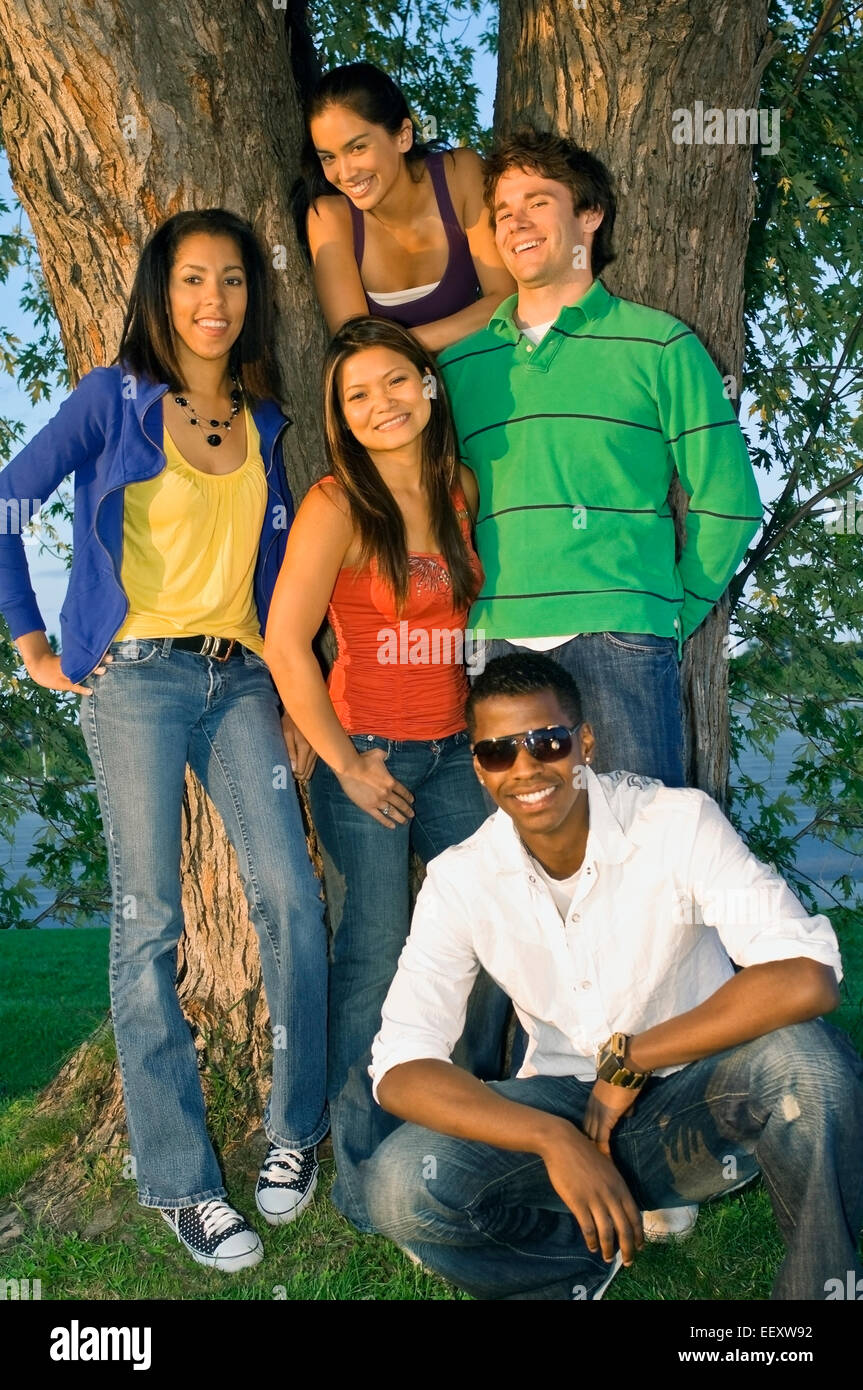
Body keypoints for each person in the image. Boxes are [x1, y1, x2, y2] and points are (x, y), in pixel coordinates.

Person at [0, 209, 329, 1272]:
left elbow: (280, 582)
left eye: (232, 282)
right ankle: (181, 1182)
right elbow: (7, 500)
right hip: (134, 678)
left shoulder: (267, 420)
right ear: (161, 291)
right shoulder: (113, 400)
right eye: (192, 280)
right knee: (147, 926)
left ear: (251, 296)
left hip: (240, 683)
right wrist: (31, 640)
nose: (213, 301)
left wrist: (295, 693)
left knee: (289, 892)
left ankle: (295, 1128)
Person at [363, 652, 863, 1301]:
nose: (525, 768)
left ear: (584, 744)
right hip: (565, 1114)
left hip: (703, 1105)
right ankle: (578, 1258)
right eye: (497, 752)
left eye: (545, 741)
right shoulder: (460, 879)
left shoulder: (675, 823)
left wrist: (630, 1059)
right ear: (480, 771)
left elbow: (806, 976)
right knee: (397, 1186)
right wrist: (549, 1138)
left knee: (809, 1064)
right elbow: (400, 1067)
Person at [262, 314, 510, 1232]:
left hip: (453, 752)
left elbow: (473, 632)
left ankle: (472, 1129)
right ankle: (363, 1165)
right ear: (341, 418)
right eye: (357, 396)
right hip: (365, 752)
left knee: (492, 933)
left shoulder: (462, 489)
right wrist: (346, 763)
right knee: (373, 952)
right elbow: (287, 644)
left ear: (428, 385)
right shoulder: (334, 503)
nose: (381, 405)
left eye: (394, 382)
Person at [437, 129, 764, 788]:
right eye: (502, 213)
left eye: (537, 202)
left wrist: (668, 614)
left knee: (642, 861)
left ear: (589, 214)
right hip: (493, 640)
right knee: (520, 879)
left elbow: (727, 502)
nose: (516, 224)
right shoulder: (457, 367)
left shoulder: (660, 346)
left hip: (621, 637)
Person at [299, 61, 515, 352]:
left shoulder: (460, 174)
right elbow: (356, 347)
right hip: (393, 395)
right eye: (328, 158)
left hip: (477, 373)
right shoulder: (329, 218)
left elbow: (506, 300)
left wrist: (401, 344)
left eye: (358, 148)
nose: (345, 173)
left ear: (402, 136)